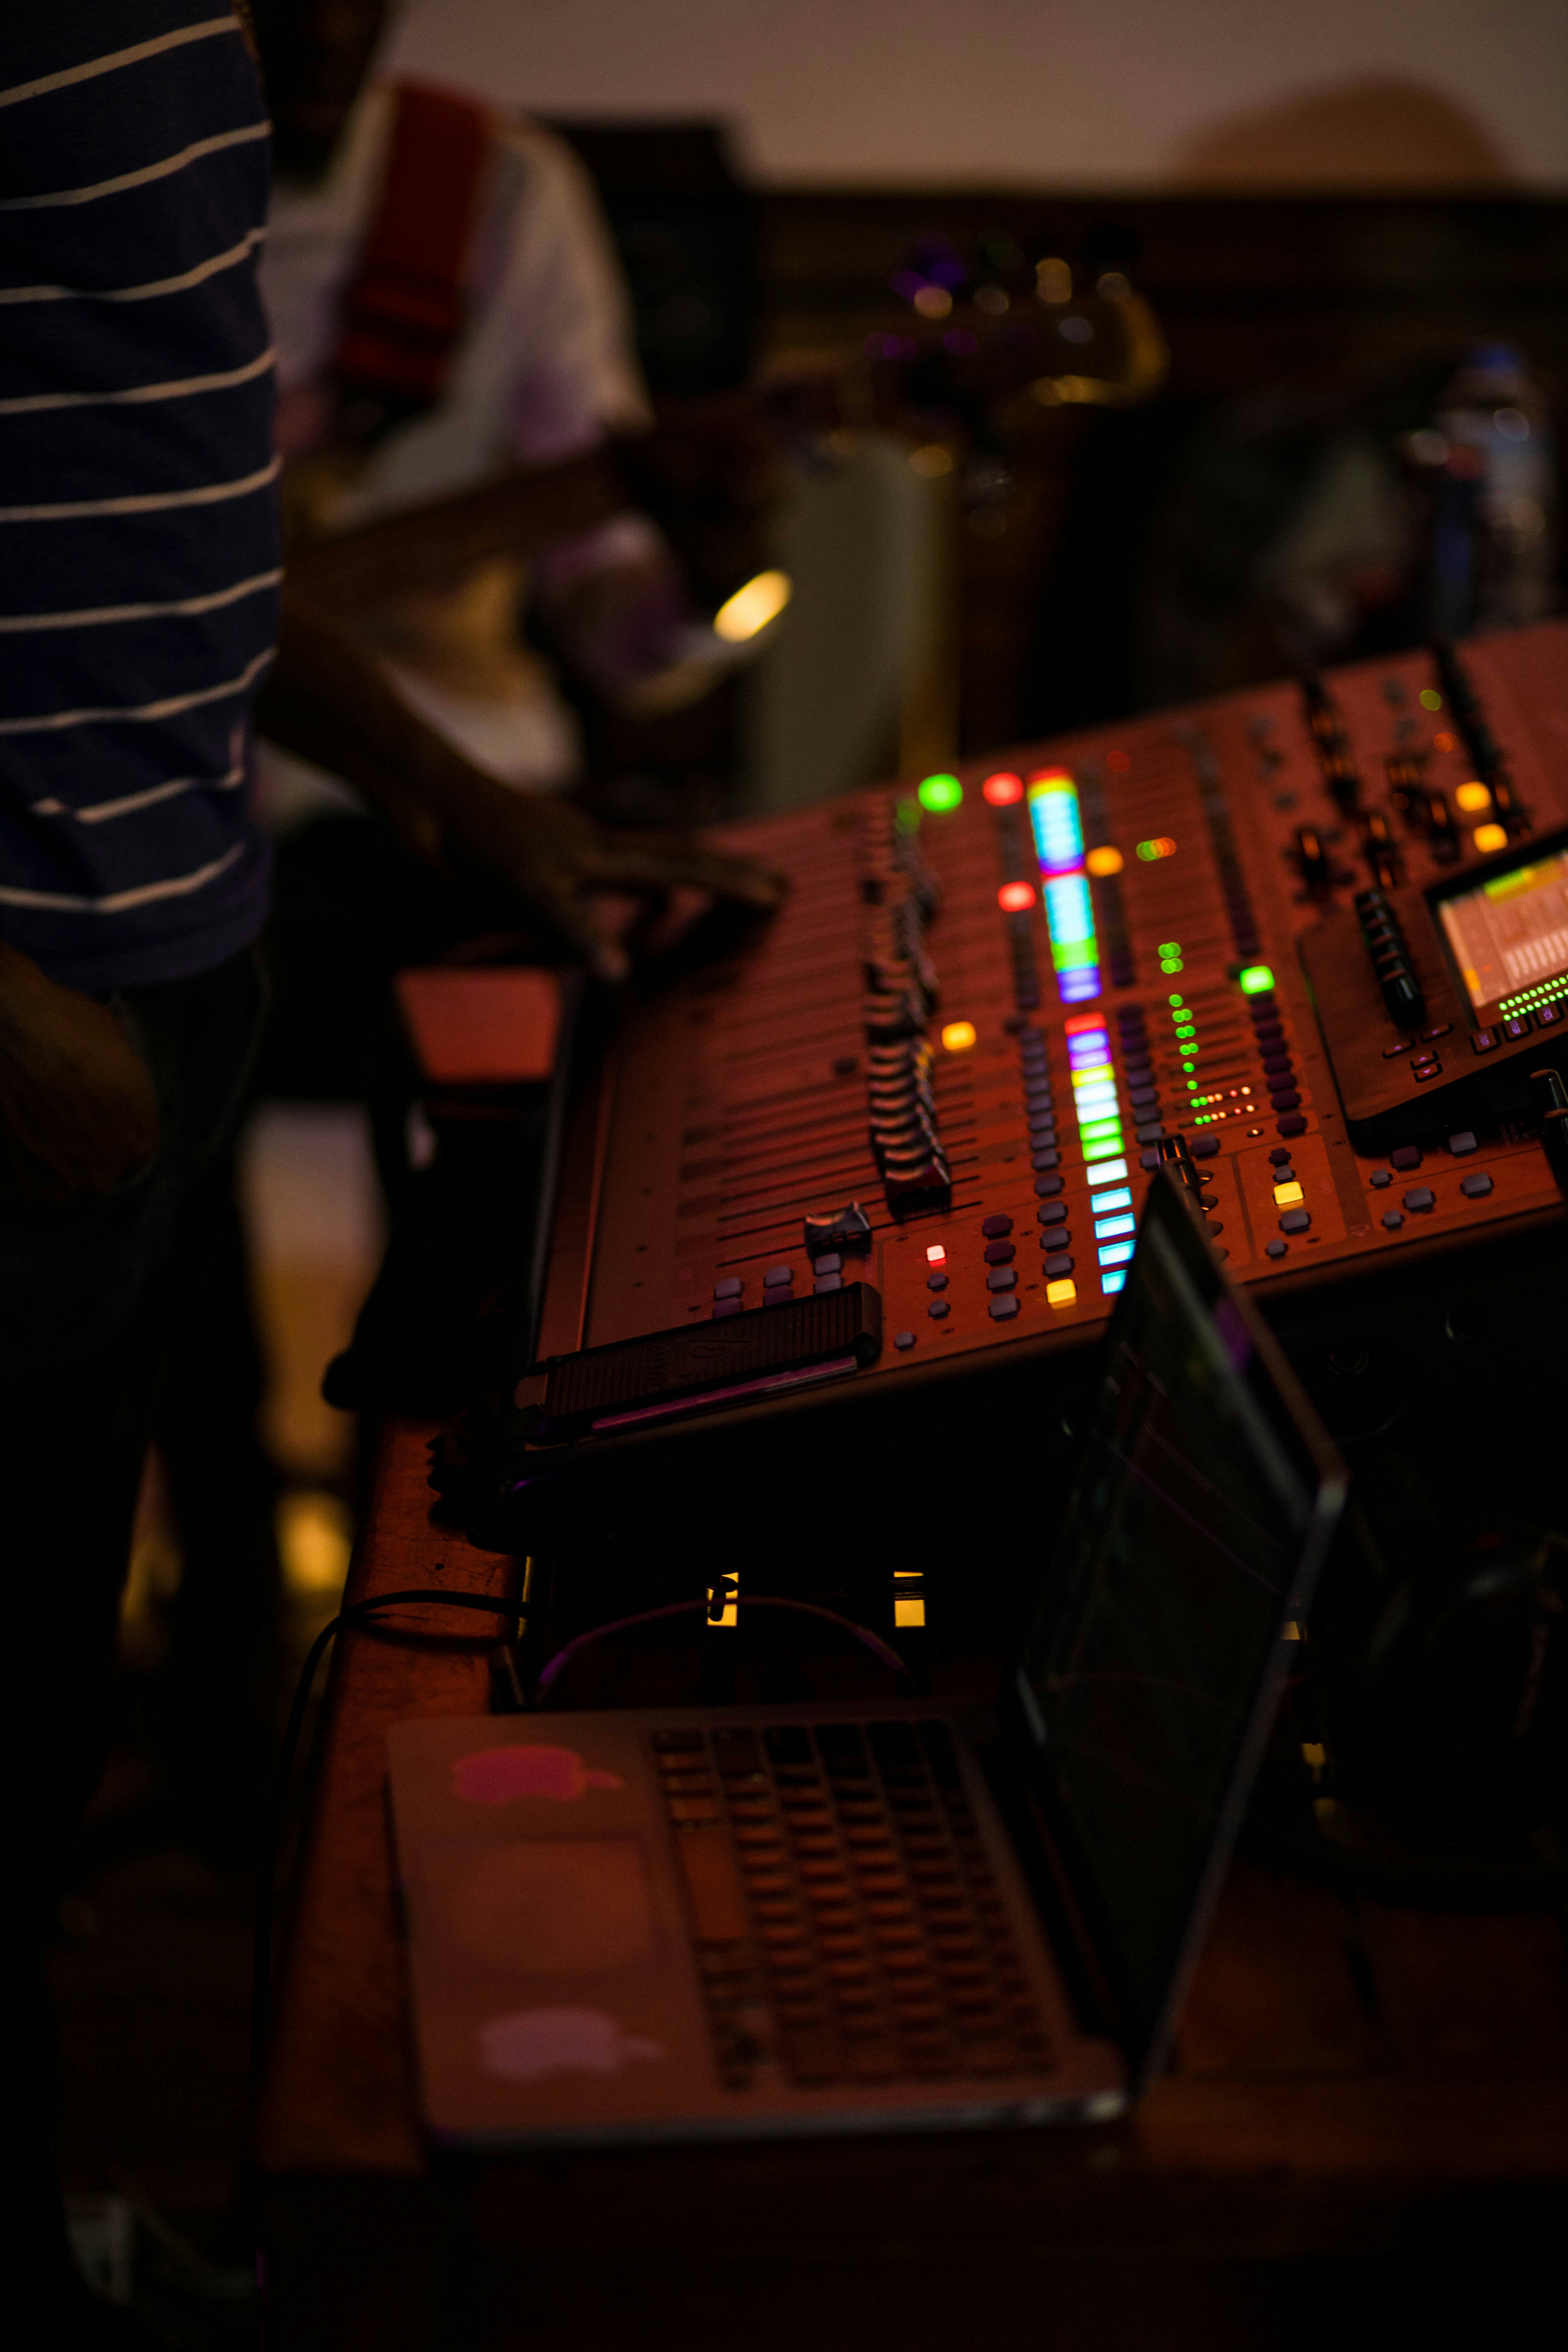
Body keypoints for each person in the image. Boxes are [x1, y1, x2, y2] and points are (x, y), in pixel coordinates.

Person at [1, 6, 775, 2332]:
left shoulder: (219, 61)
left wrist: (485, 806)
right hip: (56, 1037)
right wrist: (54, 1059)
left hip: (178, 961)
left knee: (31, 1737)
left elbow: (176, 535)